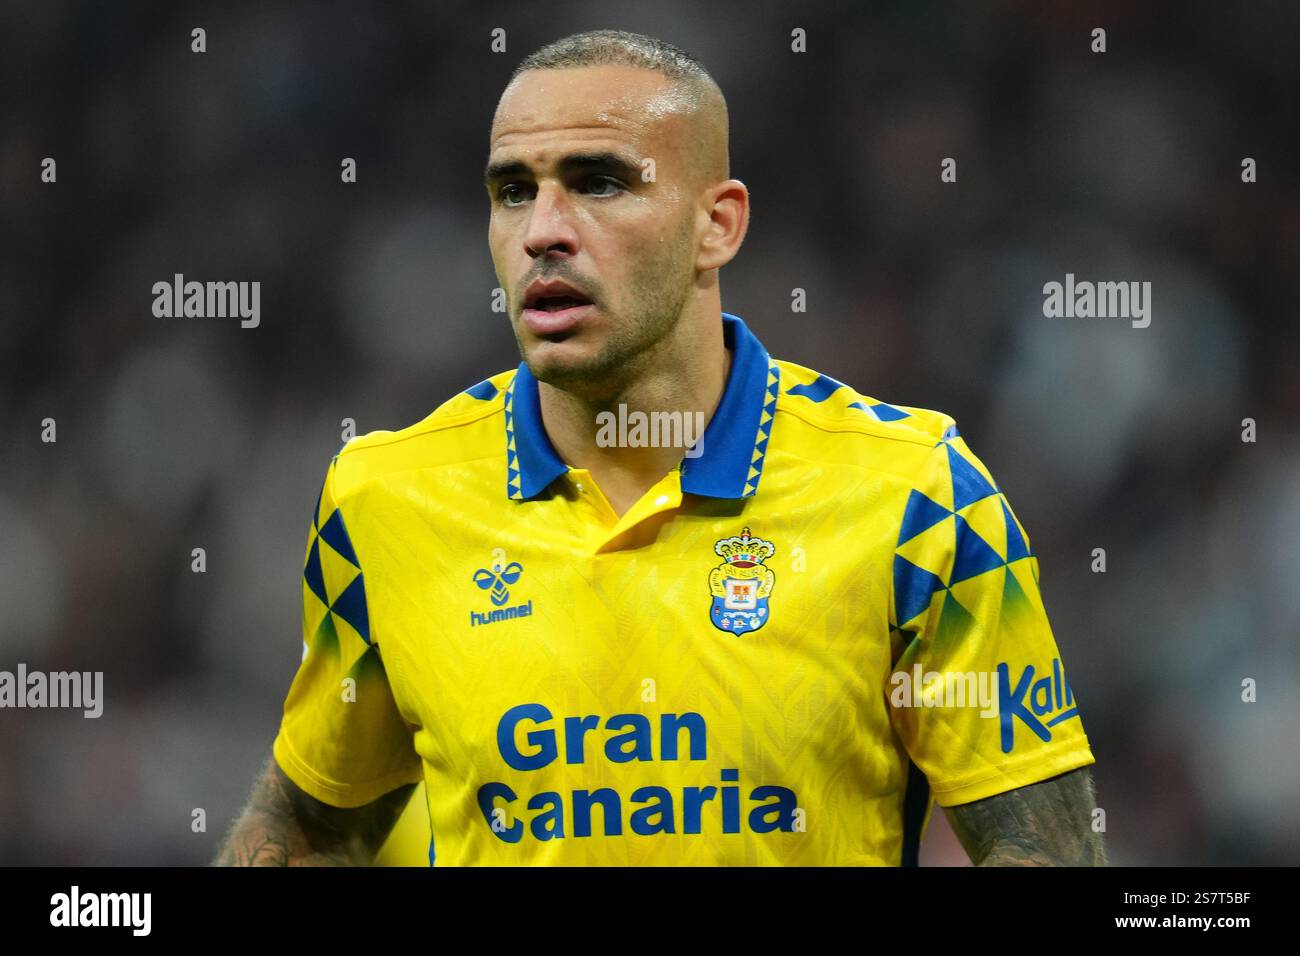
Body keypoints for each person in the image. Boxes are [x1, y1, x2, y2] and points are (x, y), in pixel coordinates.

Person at [216, 29, 1103, 867]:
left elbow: (1044, 851)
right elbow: (305, 825)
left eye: (598, 183)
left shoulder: (916, 497)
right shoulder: (386, 500)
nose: (542, 231)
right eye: (513, 191)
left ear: (716, 225)